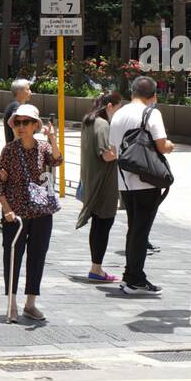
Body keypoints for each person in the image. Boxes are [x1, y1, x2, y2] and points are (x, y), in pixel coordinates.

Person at [0, 103, 63, 322]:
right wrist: (7, 211)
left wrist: (53, 138)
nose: (21, 127)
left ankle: (30, 304)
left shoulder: (43, 148)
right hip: (16, 215)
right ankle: (11, 303)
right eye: (17, 123)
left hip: (42, 212)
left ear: (35, 125)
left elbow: (58, 160)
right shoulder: (9, 151)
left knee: (37, 256)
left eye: (26, 123)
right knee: (12, 257)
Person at [108, 75, 174, 296]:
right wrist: (170, 145)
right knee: (140, 231)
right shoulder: (152, 113)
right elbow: (162, 145)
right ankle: (135, 279)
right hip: (146, 180)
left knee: (134, 229)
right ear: (153, 96)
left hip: (124, 181)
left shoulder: (118, 114)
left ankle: (131, 275)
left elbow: (113, 149)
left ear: (132, 92)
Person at [76, 90, 123, 282]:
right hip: (104, 183)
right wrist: (124, 149)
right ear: (110, 106)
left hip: (91, 179)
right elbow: (106, 154)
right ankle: (96, 268)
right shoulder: (103, 124)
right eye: (118, 110)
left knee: (98, 224)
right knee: (103, 223)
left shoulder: (88, 121)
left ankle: (96, 267)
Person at [2, 78, 34, 145]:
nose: (30, 92)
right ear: (19, 92)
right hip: (16, 151)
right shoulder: (17, 107)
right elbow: (17, 134)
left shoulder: (13, 105)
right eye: (27, 89)